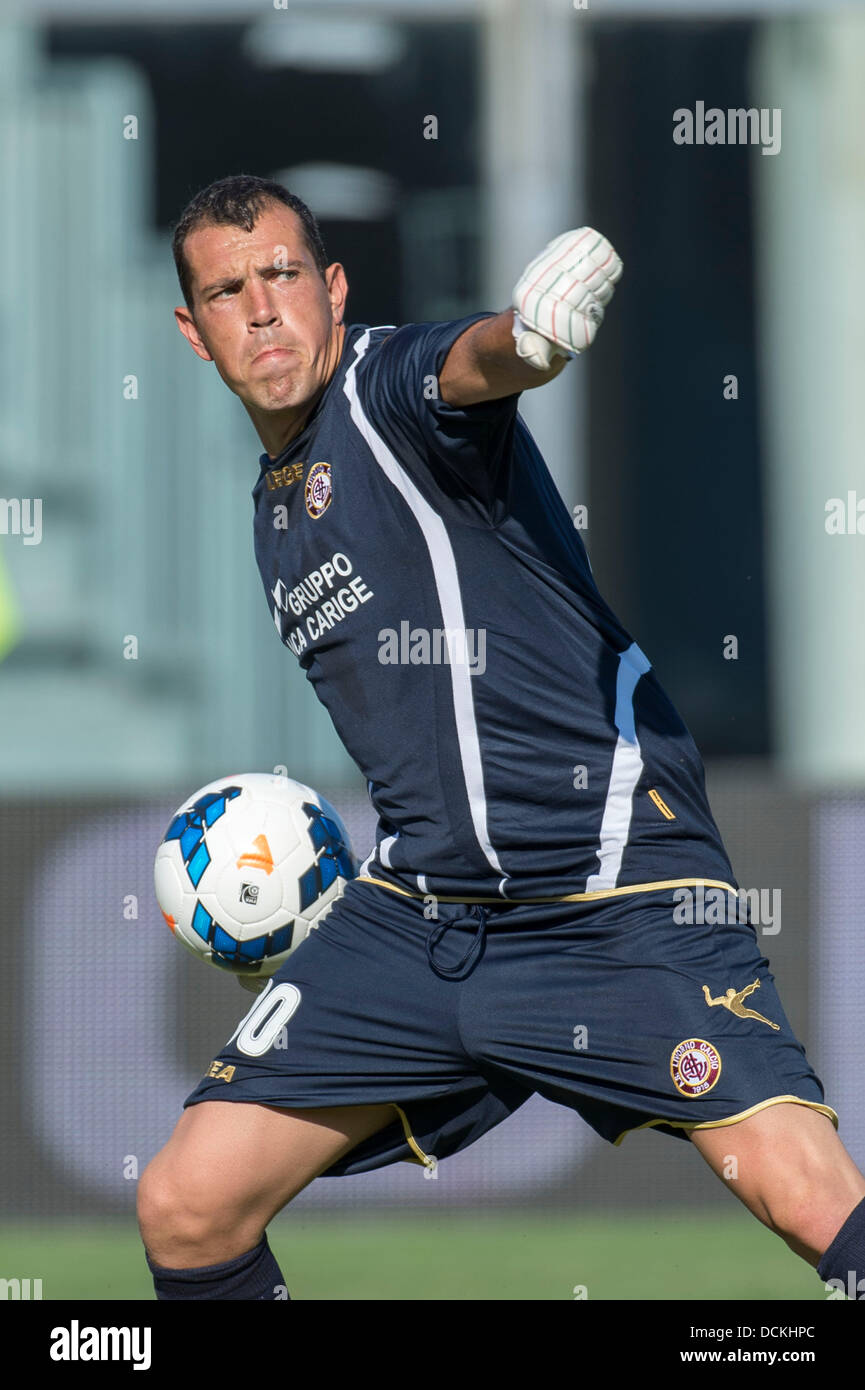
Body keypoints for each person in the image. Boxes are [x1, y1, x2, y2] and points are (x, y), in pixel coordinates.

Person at [137, 173, 865, 1301]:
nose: (264, 308)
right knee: (186, 1206)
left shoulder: (380, 390)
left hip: (604, 884)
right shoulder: (274, 507)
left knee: (805, 1194)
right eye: (229, 290)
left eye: (283, 274)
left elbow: (471, 367)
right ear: (195, 332)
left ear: (332, 288)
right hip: (425, 917)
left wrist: (529, 339)